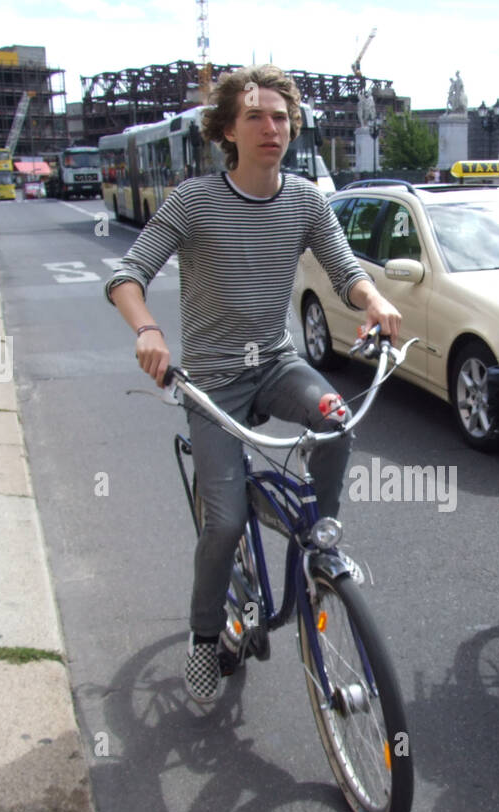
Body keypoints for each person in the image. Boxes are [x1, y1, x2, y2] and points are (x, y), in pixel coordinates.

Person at [105, 64, 402, 705]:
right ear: (228, 132)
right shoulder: (193, 201)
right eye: (256, 117)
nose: (272, 128)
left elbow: (345, 266)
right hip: (211, 382)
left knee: (335, 416)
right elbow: (127, 274)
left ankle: (322, 538)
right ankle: (205, 636)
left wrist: (372, 298)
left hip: (273, 364)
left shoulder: (304, 199)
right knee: (224, 521)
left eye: (281, 117)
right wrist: (148, 331)